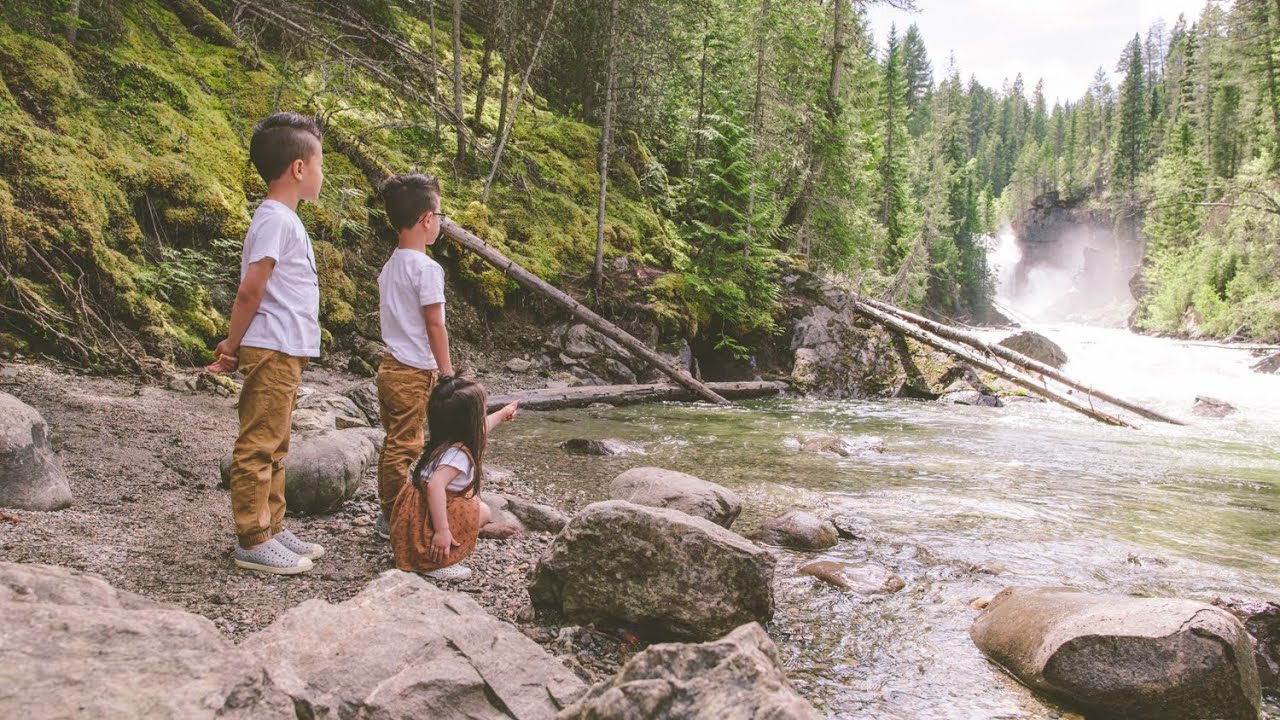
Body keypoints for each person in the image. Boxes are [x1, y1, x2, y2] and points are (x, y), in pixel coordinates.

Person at [207, 112, 325, 575]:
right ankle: (253, 537)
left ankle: (273, 526)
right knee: (259, 443)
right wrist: (233, 345)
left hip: (287, 346)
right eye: (319, 165)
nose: (321, 175)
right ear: (298, 168)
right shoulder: (275, 218)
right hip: (272, 345)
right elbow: (250, 289)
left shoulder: (285, 219)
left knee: (276, 443)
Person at [373, 172, 454, 539]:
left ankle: (389, 511)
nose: (439, 223)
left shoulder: (390, 266)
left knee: (395, 441)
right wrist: (447, 371)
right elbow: (435, 326)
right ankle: (393, 518)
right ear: (427, 219)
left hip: (390, 366)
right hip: (414, 371)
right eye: (439, 216)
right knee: (405, 446)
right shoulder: (427, 268)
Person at [390, 376, 518, 581]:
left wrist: (502, 414)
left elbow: (481, 429)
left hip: (415, 514)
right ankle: (433, 562)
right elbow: (434, 486)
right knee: (483, 511)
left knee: (473, 501)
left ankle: (418, 547)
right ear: (470, 422)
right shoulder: (457, 456)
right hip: (427, 517)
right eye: (482, 410)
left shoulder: (446, 440)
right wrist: (442, 531)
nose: (484, 415)